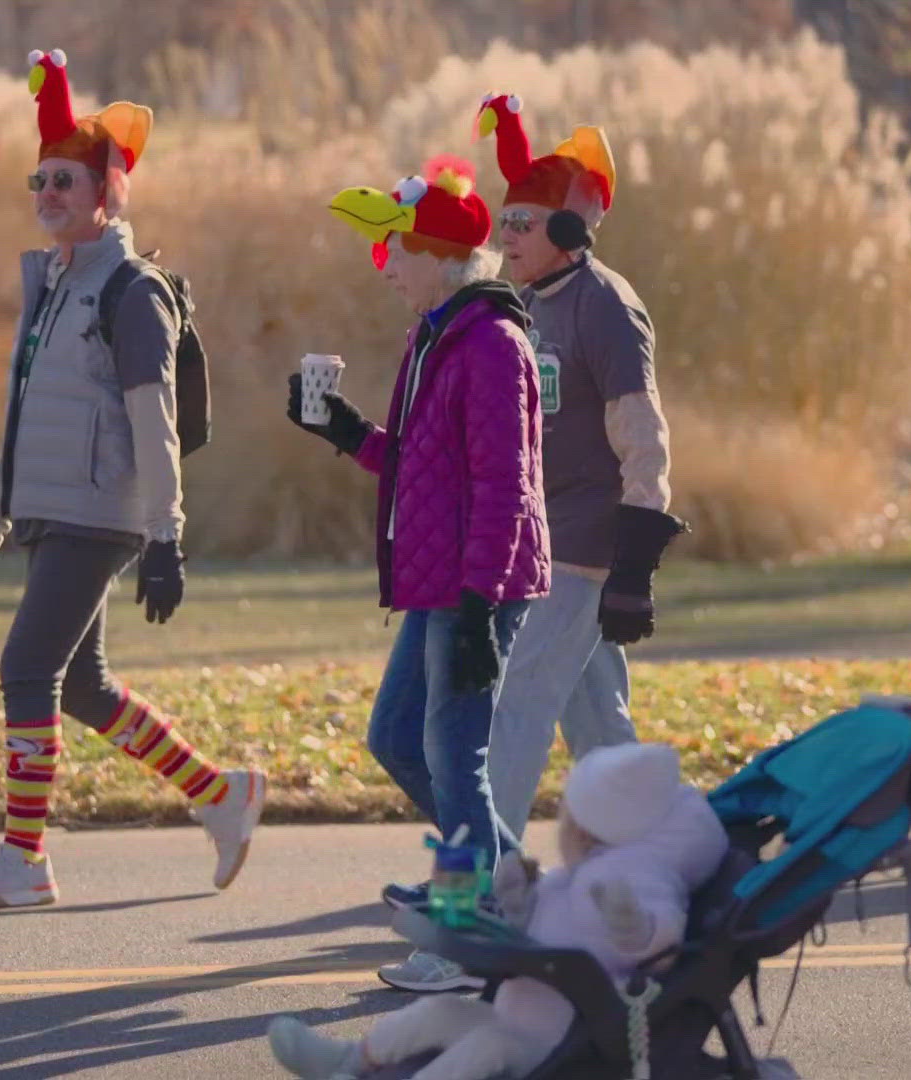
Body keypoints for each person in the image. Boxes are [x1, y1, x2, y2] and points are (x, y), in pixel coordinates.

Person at [0, 49, 264, 909]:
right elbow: (21, 420)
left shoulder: (132, 292)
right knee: (80, 684)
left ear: (106, 192)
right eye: (38, 181)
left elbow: (154, 423)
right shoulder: (51, 285)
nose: (47, 194)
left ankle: (23, 858)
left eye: (66, 182)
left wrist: (166, 537)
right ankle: (220, 795)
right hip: (53, 507)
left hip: (104, 511)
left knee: (25, 668)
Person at [295, 156, 551, 989]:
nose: (386, 266)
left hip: (480, 586)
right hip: (440, 582)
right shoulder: (433, 335)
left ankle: (464, 929)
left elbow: (506, 485)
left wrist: (480, 607)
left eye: (396, 250)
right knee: (399, 737)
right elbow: (414, 466)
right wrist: (343, 430)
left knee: (454, 752)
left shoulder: (492, 345)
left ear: (440, 255)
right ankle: (504, 887)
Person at [474, 92, 686, 859]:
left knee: (514, 704)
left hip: (585, 543)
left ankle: (477, 887)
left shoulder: (604, 308)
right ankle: (668, 853)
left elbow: (642, 435)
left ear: (568, 230)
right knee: (600, 727)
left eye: (522, 224)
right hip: (539, 537)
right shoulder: (526, 304)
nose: (508, 236)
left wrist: (634, 566)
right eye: (505, 222)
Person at [266, 743, 728, 1080]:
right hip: (519, 1015)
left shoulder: (640, 878)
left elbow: (662, 940)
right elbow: (547, 924)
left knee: (485, 1048)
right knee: (440, 1011)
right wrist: (518, 901)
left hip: (569, 1037)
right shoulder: (579, 874)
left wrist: (634, 926)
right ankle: (350, 1063)